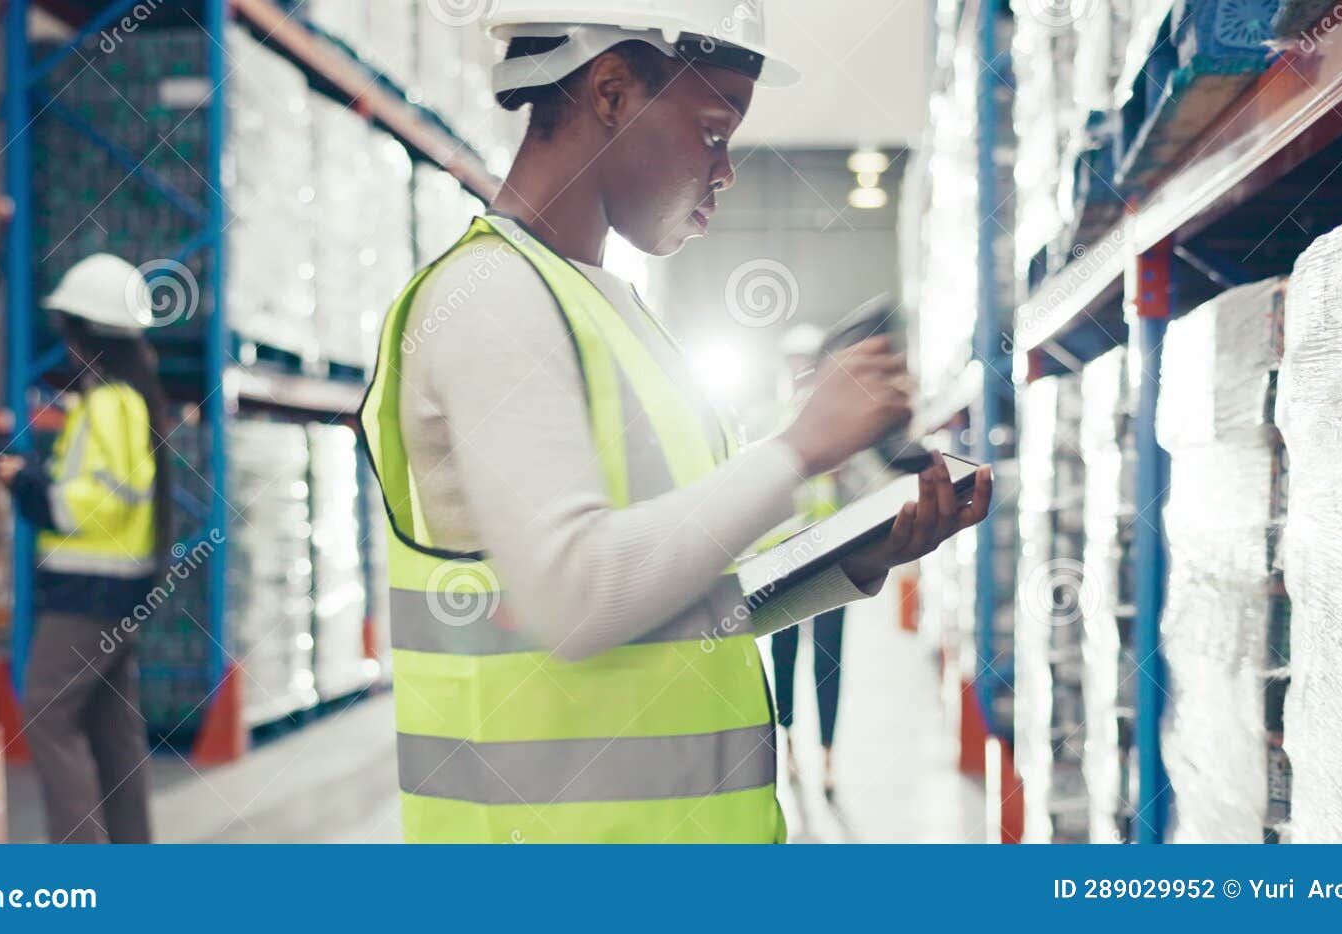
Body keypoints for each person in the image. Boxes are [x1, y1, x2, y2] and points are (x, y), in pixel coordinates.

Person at [359, 0, 993, 843]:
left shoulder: (618, 318)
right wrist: (800, 447)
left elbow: (679, 601)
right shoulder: (491, 300)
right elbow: (576, 597)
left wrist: (853, 559)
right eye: (714, 131)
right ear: (611, 91)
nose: (725, 170)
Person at [0, 253, 172, 844]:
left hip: (89, 590)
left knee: (46, 712)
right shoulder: (123, 399)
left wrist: (27, 486)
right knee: (111, 725)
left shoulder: (108, 403)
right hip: (116, 588)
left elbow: (102, 500)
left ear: (85, 333)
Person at [764, 326, 851, 803]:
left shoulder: (842, 422)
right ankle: (792, 744)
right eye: (793, 363)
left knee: (829, 658)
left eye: (807, 363)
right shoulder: (771, 422)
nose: (800, 371)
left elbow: (865, 486)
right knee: (784, 656)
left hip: (831, 555)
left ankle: (828, 754)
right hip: (784, 559)